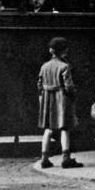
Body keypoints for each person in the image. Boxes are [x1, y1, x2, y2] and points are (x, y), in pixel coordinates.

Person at [38, 37, 82, 169]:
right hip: (62, 99)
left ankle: (44, 158)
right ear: (65, 51)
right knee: (65, 128)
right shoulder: (64, 66)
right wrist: (74, 94)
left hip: (47, 98)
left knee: (48, 129)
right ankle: (66, 158)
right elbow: (69, 86)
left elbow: (39, 84)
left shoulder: (44, 66)